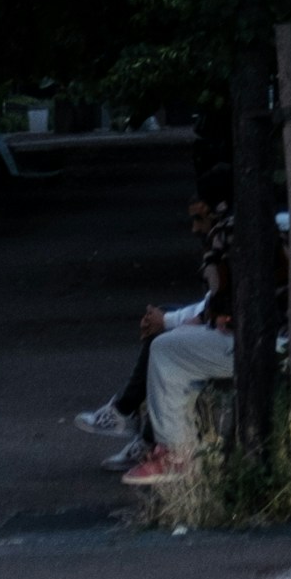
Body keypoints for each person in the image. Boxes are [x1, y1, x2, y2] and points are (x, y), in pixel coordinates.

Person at [78, 184, 232, 471]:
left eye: (201, 219)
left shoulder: (230, 239)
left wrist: (169, 322)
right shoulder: (225, 239)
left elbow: (222, 303)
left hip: (247, 339)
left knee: (164, 343)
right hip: (233, 332)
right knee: (165, 328)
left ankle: (156, 438)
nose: (196, 229)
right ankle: (137, 424)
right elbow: (213, 302)